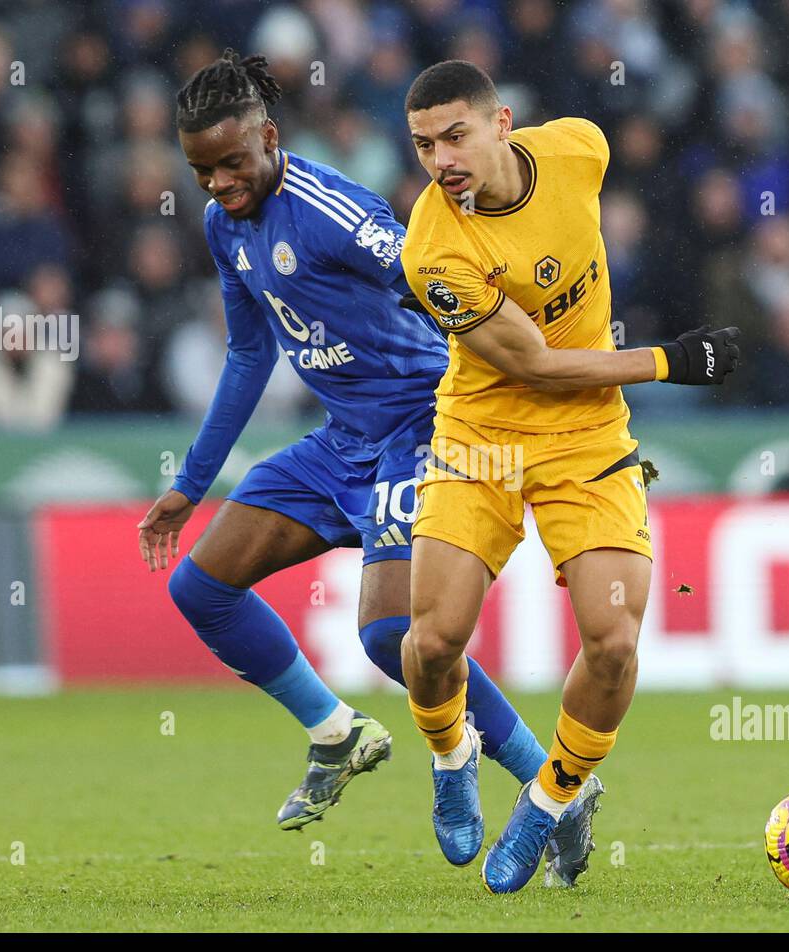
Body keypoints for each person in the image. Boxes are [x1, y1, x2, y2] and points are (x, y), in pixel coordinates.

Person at [135, 50, 599, 884]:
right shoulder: (223, 224)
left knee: (391, 635)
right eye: (201, 169)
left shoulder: (332, 212)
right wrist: (187, 487)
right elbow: (248, 355)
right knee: (199, 588)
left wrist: (531, 385)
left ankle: (546, 781)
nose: (216, 182)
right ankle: (335, 732)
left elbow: (435, 279)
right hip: (342, 436)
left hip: (424, 425)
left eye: (233, 162)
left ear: (270, 138)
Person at [397, 60, 740, 893]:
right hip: (481, 437)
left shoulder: (580, 150)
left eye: (455, 135)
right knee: (435, 640)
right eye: (422, 145)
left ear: (502, 122)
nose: (441, 159)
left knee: (615, 642)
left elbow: (631, 167)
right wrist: (670, 359)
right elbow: (538, 364)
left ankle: (551, 801)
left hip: (587, 443)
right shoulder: (436, 249)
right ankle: (452, 756)